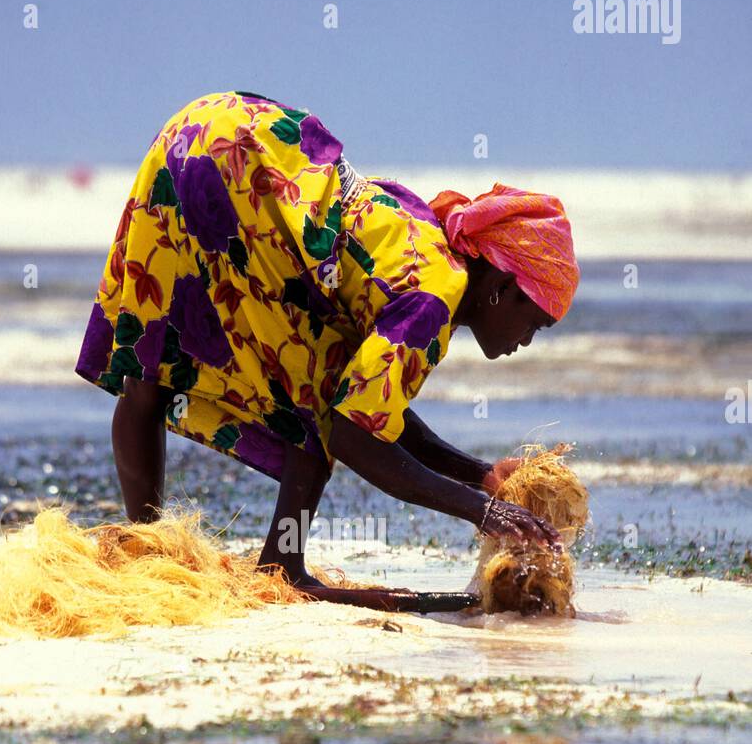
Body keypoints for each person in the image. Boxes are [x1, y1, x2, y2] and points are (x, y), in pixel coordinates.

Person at [76, 90, 579, 605]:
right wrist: (481, 510)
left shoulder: (429, 246)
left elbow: (365, 408)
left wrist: (481, 475)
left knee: (152, 363)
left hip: (204, 131)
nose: (525, 342)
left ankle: (150, 553)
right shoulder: (432, 300)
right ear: (501, 290)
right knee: (314, 401)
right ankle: (274, 566)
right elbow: (352, 435)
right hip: (244, 172)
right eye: (534, 323)